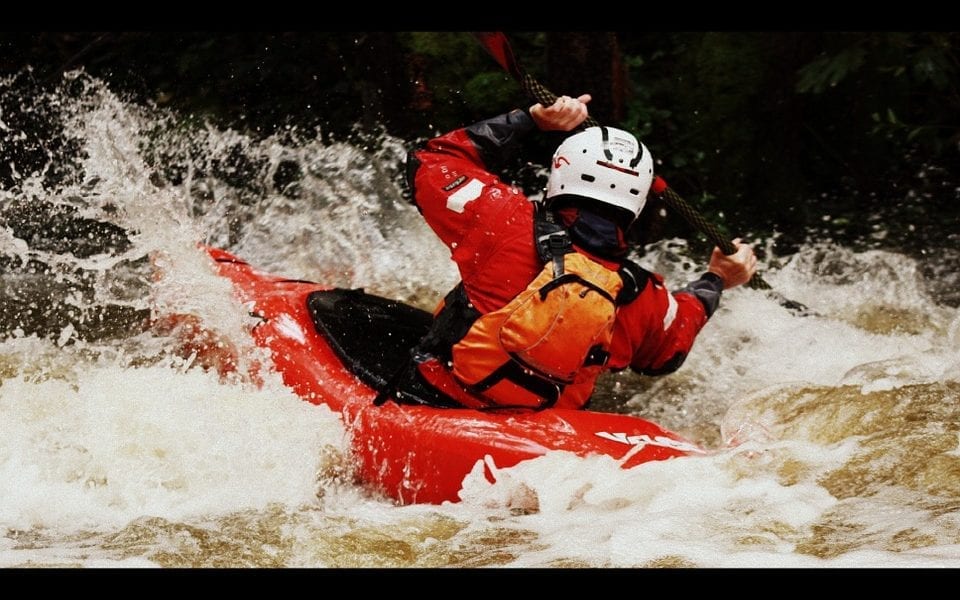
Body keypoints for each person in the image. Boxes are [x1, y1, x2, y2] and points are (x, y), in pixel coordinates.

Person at [403, 93, 757, 411]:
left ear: (560, 172)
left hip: (442, 397)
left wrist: (531, 119)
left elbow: (429, 162)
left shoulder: (501, 219)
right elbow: (668, 350)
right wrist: (717, 278)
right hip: (545, 435)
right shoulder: (640, 294)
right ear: (636, 203)